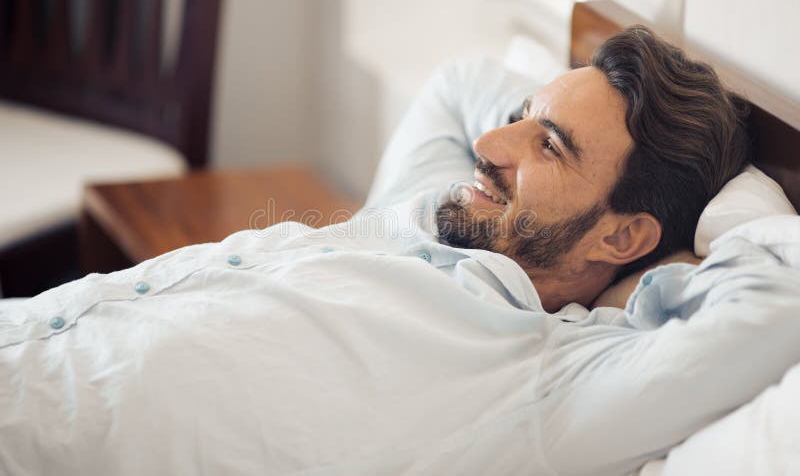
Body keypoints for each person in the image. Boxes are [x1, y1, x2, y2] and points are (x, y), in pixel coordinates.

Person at [1, 26, 799, 476]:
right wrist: (544, 136)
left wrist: (657, 274)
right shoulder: (427, 215)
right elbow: (458, 85)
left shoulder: (548, 388)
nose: (489, 143)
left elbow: (779, 299)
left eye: (547, 144)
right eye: (520, 113)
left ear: (622, 234)